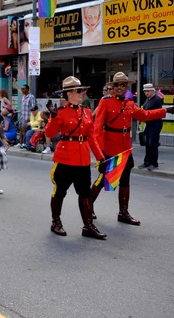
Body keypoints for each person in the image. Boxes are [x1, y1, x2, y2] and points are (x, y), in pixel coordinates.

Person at [92, 72, 174, 226]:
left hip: (125, 149)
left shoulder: (129, 104)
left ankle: (123, 213)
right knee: (103, 179)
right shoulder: (105, 102)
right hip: (110, 149)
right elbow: (97, 130)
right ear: (112, 87)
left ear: (126, 87)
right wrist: (100, 153)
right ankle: (88, 206)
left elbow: (145, 115)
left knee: (125, 181)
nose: (119, 87)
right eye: (117, 85)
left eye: (123, 85)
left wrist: (166, 110)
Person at [46, 77, 107, 239]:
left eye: (82, 90)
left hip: (83, 159)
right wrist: (52, 118)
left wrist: (101, 158)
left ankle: (87, 226)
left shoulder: (86, 112)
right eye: (79, 91)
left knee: (85, 193)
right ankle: (56, 222)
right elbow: (50, 134)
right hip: (65, 158)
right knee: (60, 192)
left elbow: (92, 137)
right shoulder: (60, 112)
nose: (82, 93)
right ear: (69, 93)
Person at [140, 84, 164, 171]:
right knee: (147, 143)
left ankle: (154, 163)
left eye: (148, 91)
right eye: (145, 91)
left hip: (155, 123)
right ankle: (147, 161)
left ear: (152, 91)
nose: (146, 93)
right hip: (148, 124)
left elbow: (157, 113)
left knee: (153, 143)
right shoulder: (148, 99)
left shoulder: (157, 100)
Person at [14, 82, 36, 147]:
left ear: (27, 90)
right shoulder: (23, 96)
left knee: (25, 130)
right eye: (22, 89)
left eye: (23, 89)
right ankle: (20, 143)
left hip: (27, 116)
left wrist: (32, 117)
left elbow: (33, 106)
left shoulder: (31, 97)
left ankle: (24, 143)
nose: (22, 90)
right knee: (20, 129)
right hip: (22, 116)